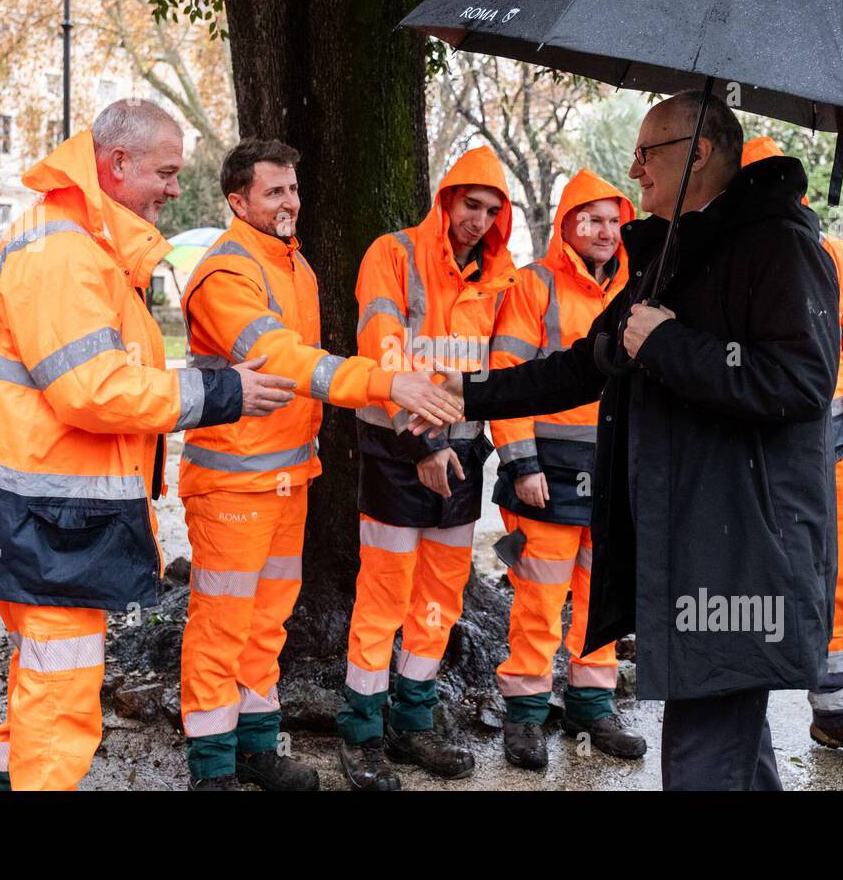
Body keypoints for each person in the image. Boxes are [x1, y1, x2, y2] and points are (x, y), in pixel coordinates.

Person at [423, 92, 841, 790]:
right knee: (730, 748)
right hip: (699, 537)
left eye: (649, 152)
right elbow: (589, 361)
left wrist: (670, 344)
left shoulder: (779, 246)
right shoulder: (676, 249)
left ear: (699, 153)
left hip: (746, 553)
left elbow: (798, 382)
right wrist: (466, 393)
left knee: (703, 759)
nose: (635, 168)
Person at [0, 100, 297, 791]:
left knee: (39, 677)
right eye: (167, 172)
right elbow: (92, 391)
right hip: (41, 519)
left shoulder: (82, 240)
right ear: (117, 165)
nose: (178, 188)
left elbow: (107, 370)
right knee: (60, 705)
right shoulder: (66, 252)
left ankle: (12, 775)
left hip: (32, 509)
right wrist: (221, 395)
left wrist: (205, 380)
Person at [177, 138, 463, 791]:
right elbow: (278, 357)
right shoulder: (226, 273)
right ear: (237, 199)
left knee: (266, 622)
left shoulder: (296, 267)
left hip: (287, 475)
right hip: (231, 481)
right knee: (222, 623)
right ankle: (212, 769)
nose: (289, 203)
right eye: (274, 191)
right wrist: (385, 383)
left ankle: (254, 748)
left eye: (294, 190)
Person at [335, 146, 517, 790]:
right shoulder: (395, 254)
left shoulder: (499, 276)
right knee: (383, 594)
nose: (480, 220)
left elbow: (500, 374)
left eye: (493, 211)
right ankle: (360, 732)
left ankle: (413, 722)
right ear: (446, 199)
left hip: (463, 457)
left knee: (440, 596)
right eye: (472, 205)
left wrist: (483, 449)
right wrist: (425, 444)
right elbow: (383, 355)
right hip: (396, 451)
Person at [742, 136, 843, 770]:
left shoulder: (835, 258)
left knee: (831, 585)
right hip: (754, 454)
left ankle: (837, 710)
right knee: (745, 583)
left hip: (831, 456)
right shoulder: (727, 258)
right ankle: (739, 722)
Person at [487, 169, 647, 769]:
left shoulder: (639, 287)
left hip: (612, 476)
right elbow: (507, 374)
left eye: (614, 221)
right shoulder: (534, 285)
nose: (606, 232)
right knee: (537, 599)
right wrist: (521, 462)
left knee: (600, 597)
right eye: (593, 220)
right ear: (568, 225)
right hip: (546, 474)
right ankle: (525, 716)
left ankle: (592, 707)